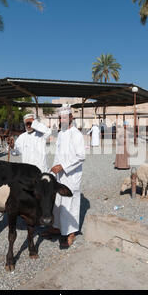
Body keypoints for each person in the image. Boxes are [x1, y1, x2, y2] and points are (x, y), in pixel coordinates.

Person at [44, 105, 85, 248]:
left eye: (65, 117)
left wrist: (63, 167)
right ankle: (57, 226)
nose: (62, 120)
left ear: (71, 118)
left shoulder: (76, 134)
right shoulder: (61, 133)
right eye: (60, 118)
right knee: (58, 202)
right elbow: (58, 155)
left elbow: (81, 156)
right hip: (60, 175)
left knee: (70, 203)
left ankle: (71, 232)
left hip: (71, 175)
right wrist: (53, 170)